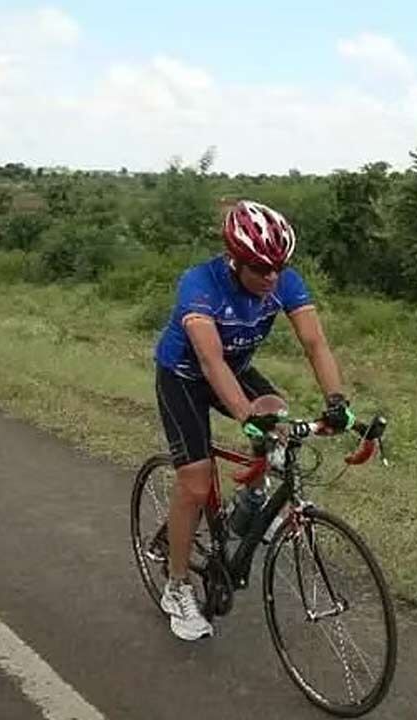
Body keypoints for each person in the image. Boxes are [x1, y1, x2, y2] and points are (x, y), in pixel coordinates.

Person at [152, 199, 355, 641]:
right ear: (236, 260)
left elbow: (315, 343)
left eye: (278, 268)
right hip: (185, 377)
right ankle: (176, 586)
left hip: (237, 370)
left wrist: (336, 401)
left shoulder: (283, 281)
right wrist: (245, 417)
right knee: (195, 481)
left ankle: (248, 503)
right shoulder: (200, 285)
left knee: (277, 415)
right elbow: (209, 362)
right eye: (261, 269)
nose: (271, 278)